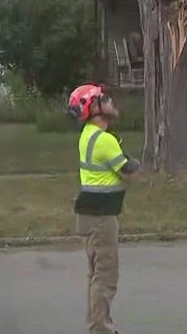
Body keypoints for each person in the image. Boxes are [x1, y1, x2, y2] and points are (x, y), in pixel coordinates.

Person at [69, 83, 142, 334]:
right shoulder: (104, 140)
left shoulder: (88, 134)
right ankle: (101, 329)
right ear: (94, 108)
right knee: (106, 278)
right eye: (104, 98)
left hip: (88, 216)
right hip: (101, 219)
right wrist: (135, 162)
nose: (111, 101)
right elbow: (128, 172)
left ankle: (96, 325)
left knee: (95, 276)